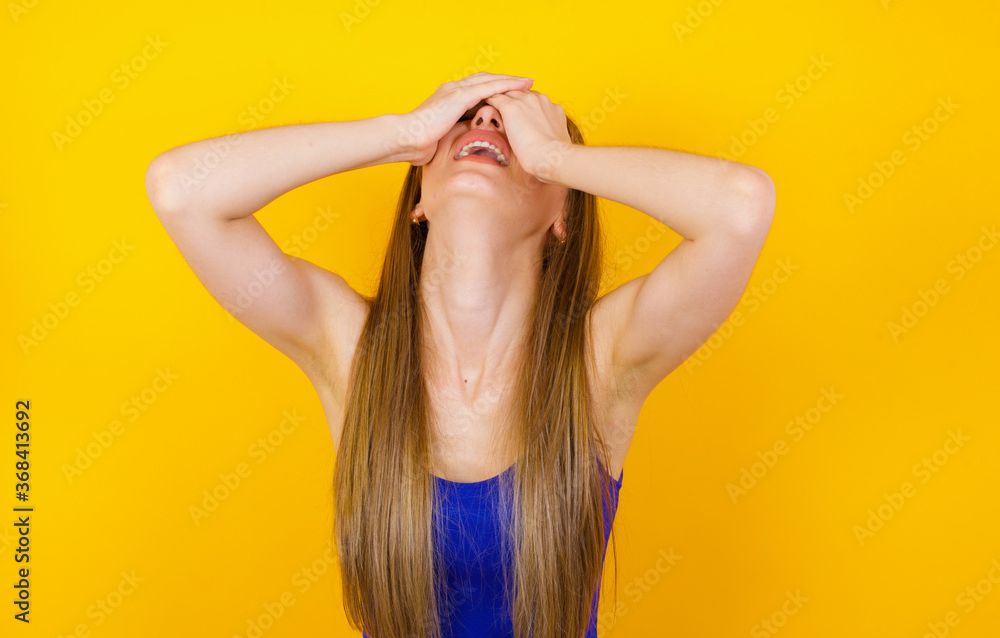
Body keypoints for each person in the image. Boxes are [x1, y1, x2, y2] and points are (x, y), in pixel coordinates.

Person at [144, 71, 776, 637]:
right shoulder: (350, 346)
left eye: (513, 128)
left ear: (564, 212)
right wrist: (402, 134)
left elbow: (740, 208)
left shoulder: (600, 361)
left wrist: (552, 156)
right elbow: (180, 191)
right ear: (418, 201)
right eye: (465, 120)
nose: (487, 122)